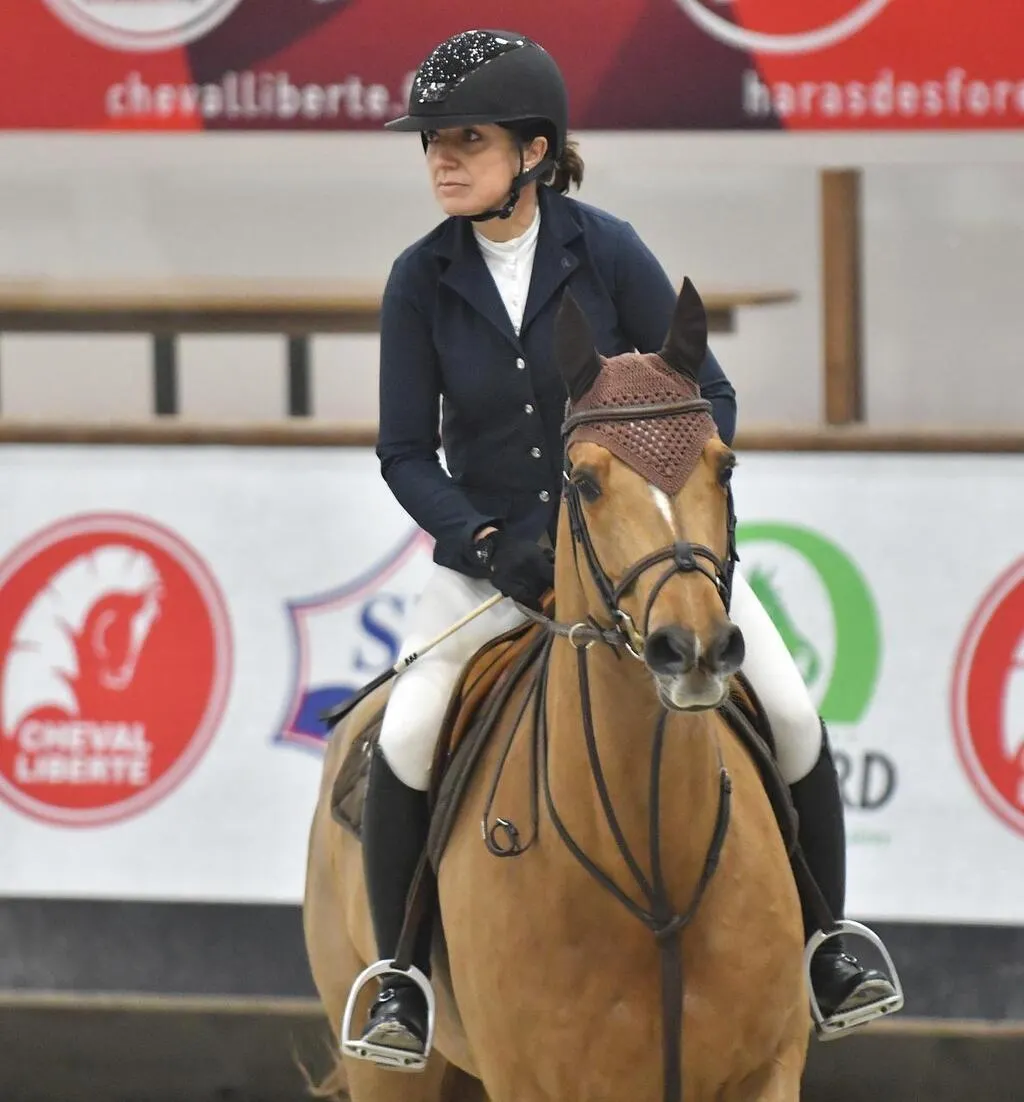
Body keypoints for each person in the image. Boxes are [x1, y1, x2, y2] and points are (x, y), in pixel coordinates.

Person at [354, 27, 899, 1062]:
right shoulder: (418, 280)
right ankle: (402, 978)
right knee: (410, 725)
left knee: (783, 701)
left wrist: (654, 505)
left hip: (638, 557)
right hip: (494, 566)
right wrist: (479, 537)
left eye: (465, 137)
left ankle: (832, 944)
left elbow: (712, 398)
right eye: (431, 140)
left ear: (533, 151)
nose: (440, 158)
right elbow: (401, 451)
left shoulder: (605, 249)